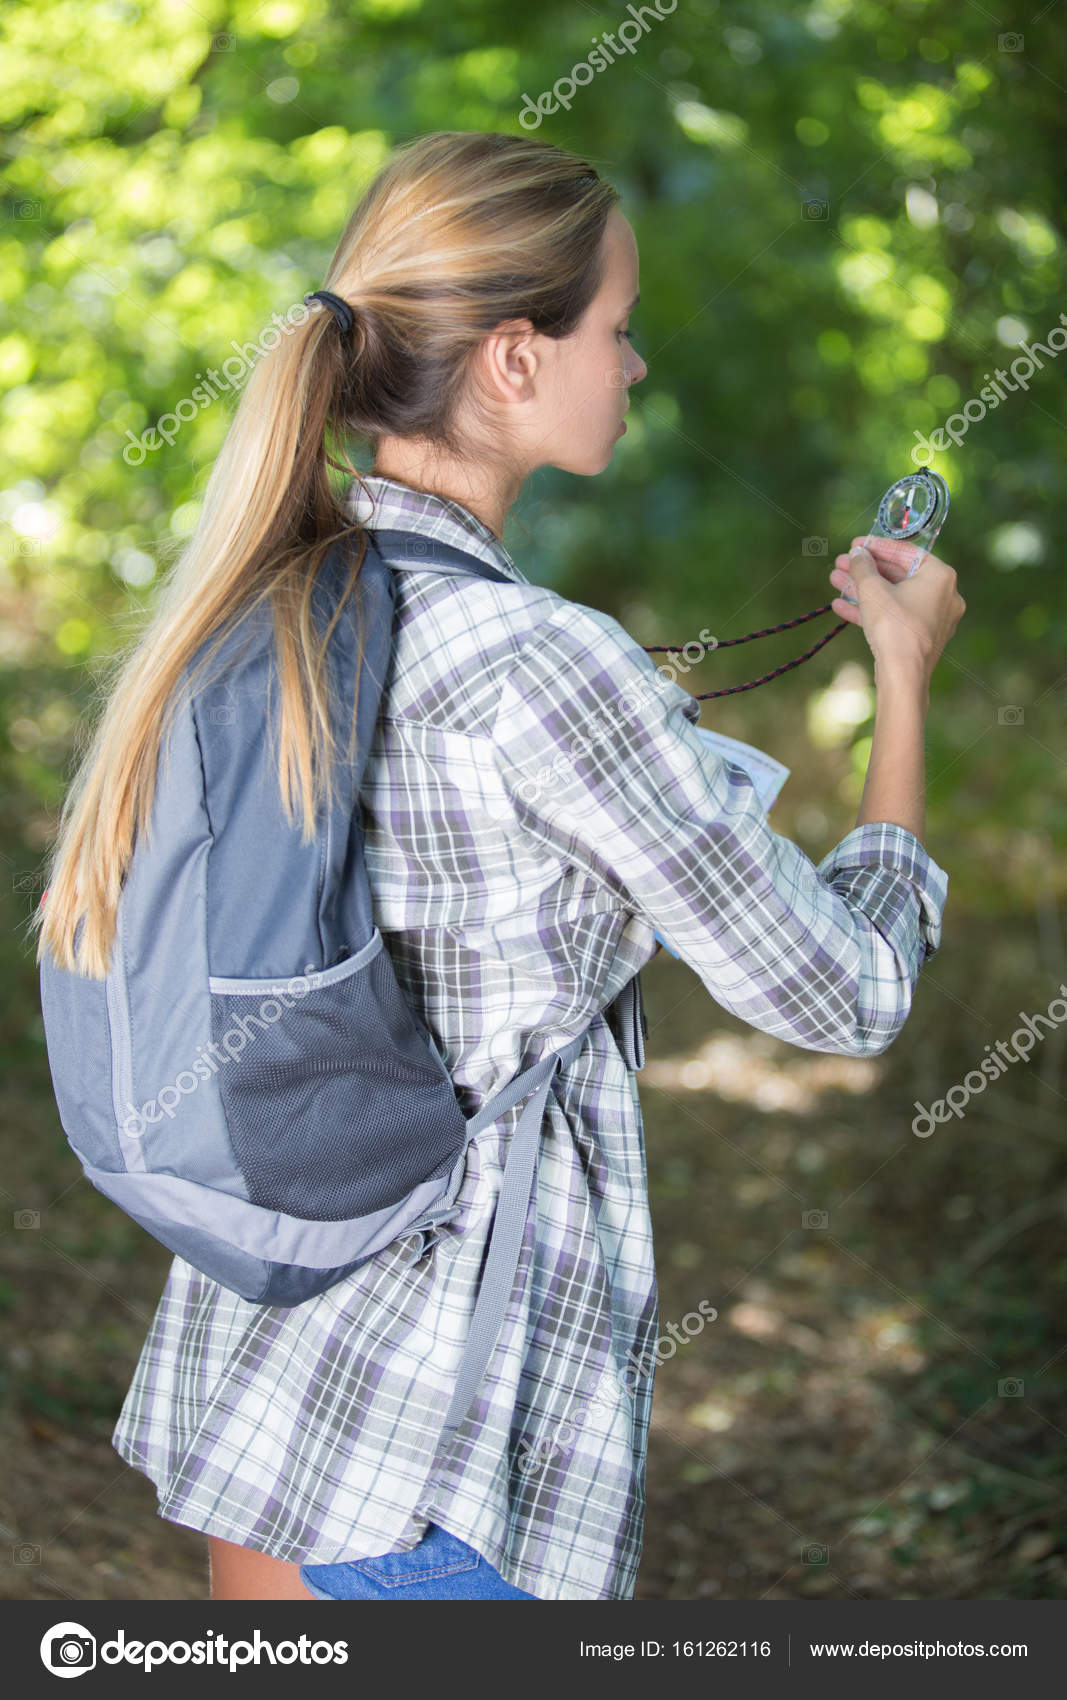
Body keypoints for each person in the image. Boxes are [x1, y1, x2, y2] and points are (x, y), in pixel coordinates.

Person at [35, 129, 964, 1603]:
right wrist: (904, 684)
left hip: (266, 1378)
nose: (639, 366)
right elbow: (844, 996)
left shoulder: (274, 593)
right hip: (443, 1444)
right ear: (516, 362)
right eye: (618, 328)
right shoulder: (540, 662)